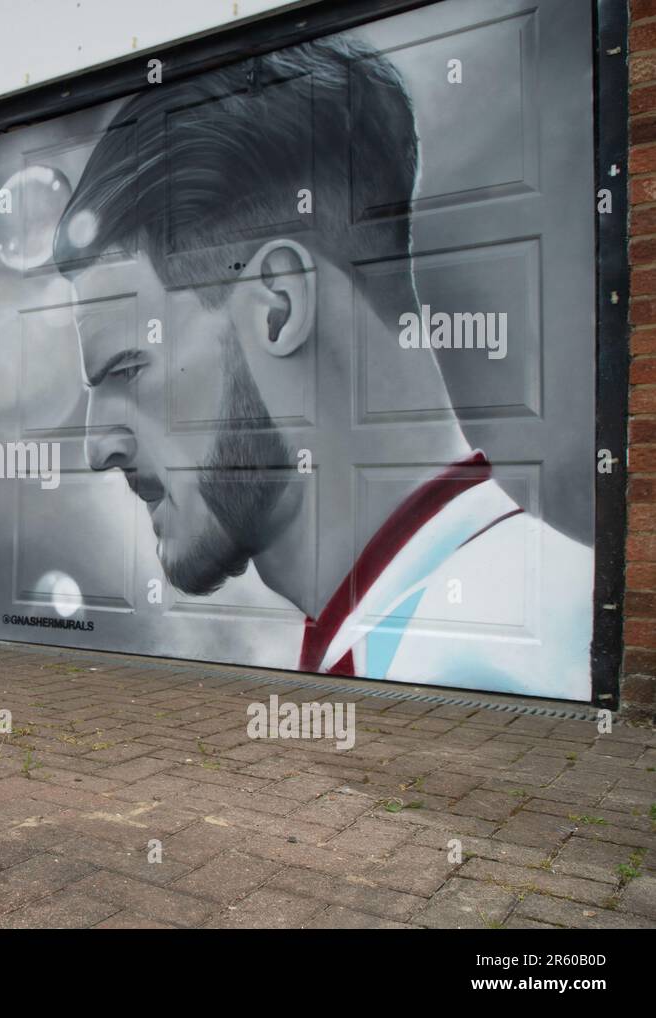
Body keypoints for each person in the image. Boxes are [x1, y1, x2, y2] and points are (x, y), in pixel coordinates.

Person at [50, 37, 591, 699]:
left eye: (129, 370)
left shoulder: (471, 669)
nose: (97, 446)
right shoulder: (437, 626)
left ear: (279, 306)